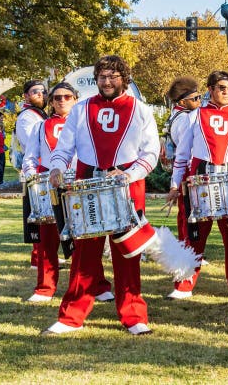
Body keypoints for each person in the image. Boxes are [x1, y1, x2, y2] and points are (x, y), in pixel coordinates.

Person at [44, 55, 159, 335]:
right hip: (88, 183)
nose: (107, 82)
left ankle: (134, 316)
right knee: (85, 252)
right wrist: (57, 166)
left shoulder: (141, 110)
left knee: (128, 254)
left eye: (113, 76)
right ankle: (71, 316)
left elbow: (151, 153)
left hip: (127, 184)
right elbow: (64, 147)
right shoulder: (81, 108)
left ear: (124, 78)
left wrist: (129, 174)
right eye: (102, 76)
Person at [22, 82, 112, 303]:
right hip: (50, 187)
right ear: (51, 102)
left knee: (86, 240)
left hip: (78, 186)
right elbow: (30, 158)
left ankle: (98, 286)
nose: (62, 100)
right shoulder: (40, 127)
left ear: (75, 99)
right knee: (47, 240)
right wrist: (34, 177)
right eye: (57, 97)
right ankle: (45, 287)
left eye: (67, 96)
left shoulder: (87, 125)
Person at [166, 71, 228, 299]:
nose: (225, 92)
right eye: (221, 87)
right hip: (200, 181)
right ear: (210, 89)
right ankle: (184, 284)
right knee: (193, 236)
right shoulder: (193, 116)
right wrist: (175, 185)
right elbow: (182, 155)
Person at [160, 76, 202, 253]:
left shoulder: (175, 115)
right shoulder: (186, 118)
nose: (200, 101)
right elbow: (188, 148)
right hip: (186, 167)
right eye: (195, 98)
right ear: (183, 101)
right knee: (188, 211)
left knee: (183, 212)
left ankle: (183, 246)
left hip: (180, 166)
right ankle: (188, 248)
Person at [16, 81, 49, 268]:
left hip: (43, 169)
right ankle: (38, 259)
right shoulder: (27, 116)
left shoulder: (40, 114)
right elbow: (32, 145)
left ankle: (44, 255)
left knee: (46, 216)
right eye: (35, 92)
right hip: (35, 170)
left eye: (44, 92)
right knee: (38, 216)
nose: (41, 95)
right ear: (26, 96)